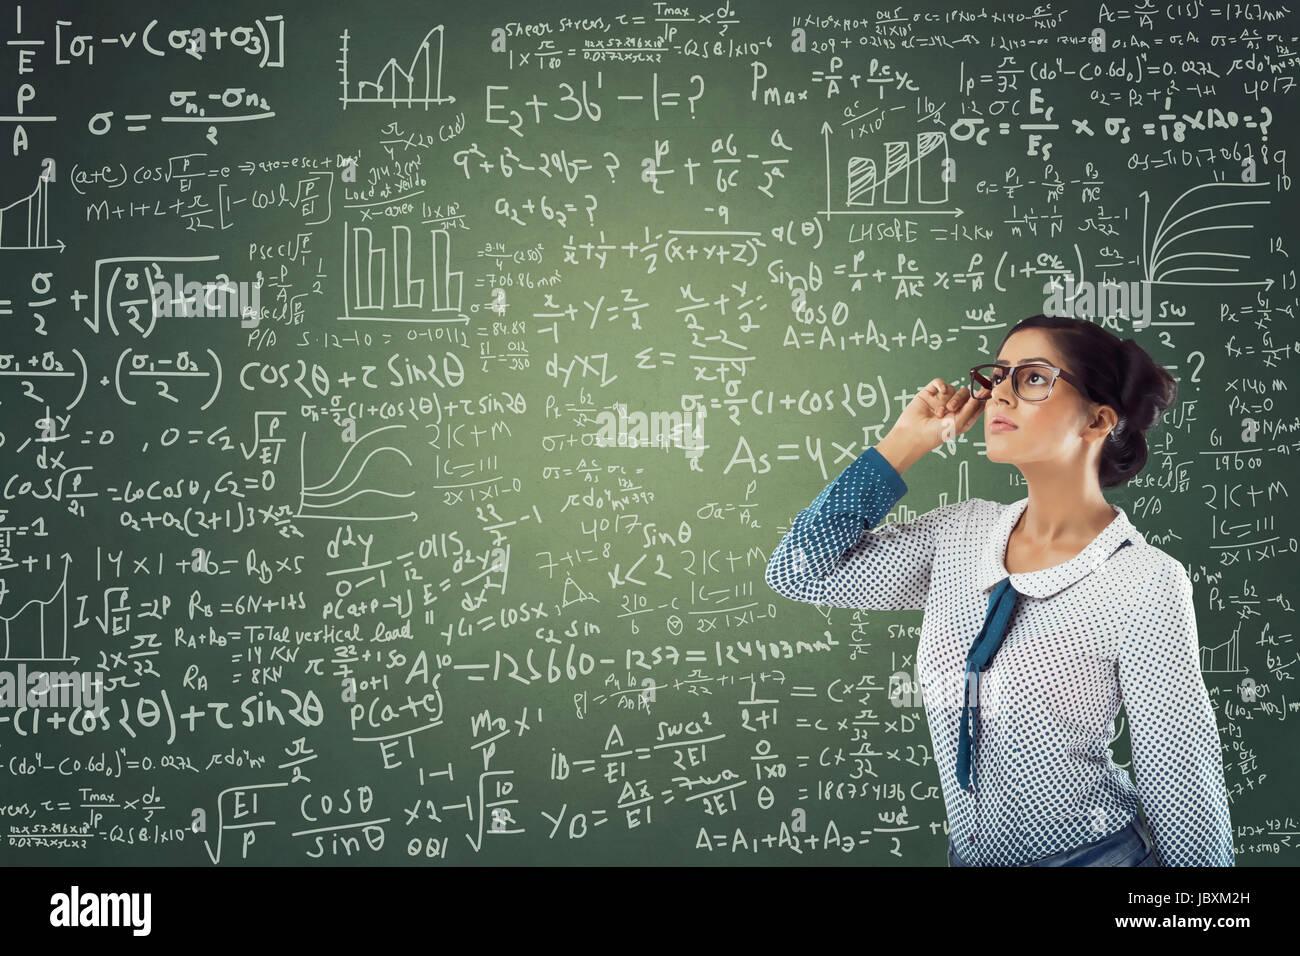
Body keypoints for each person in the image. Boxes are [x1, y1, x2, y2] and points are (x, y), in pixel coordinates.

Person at [764, 314, 1234, 867]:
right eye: (1000, 376)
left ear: (1098, 420)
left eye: (1033, 378)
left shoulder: (1144, 580)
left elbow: (1182, 781)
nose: (999, 396)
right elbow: (799, 569)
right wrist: (904, 443)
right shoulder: (960, 536)